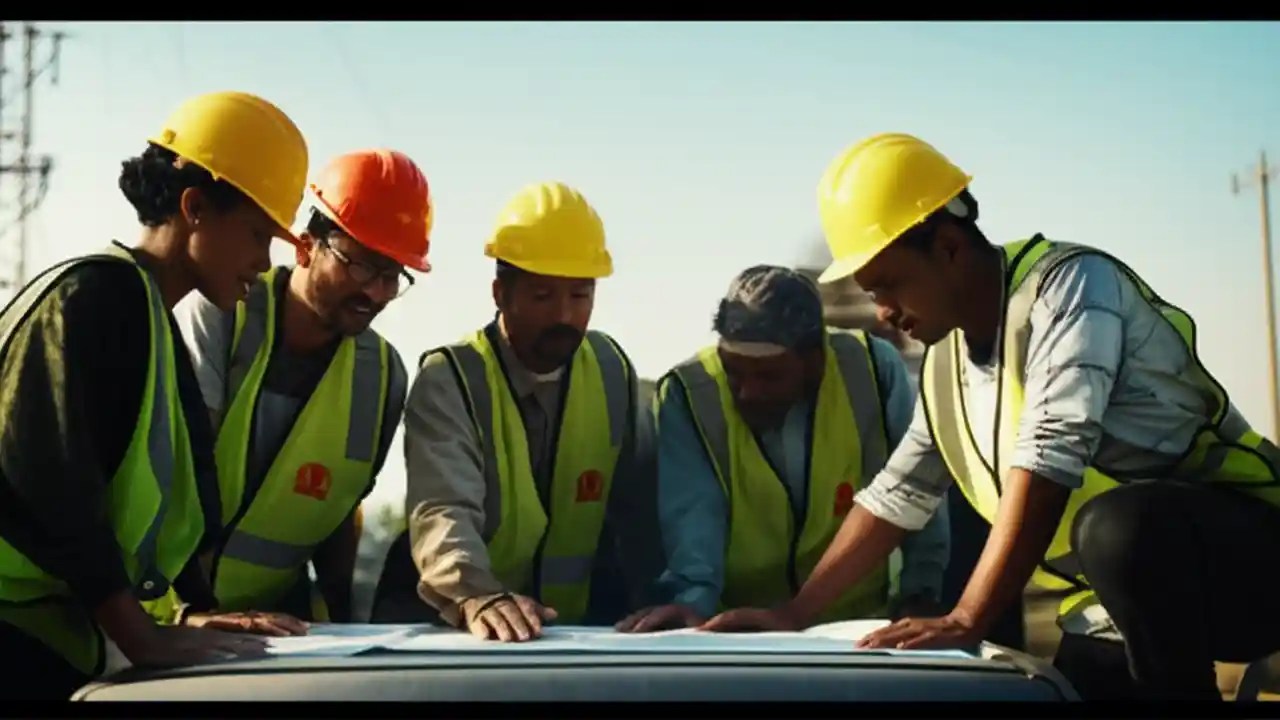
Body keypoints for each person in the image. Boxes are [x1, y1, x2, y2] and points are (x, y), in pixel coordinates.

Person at [699, 132, 1280, 701]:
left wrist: (968, 616)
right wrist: (794, 614)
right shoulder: (945, 362)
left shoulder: (1071, 287)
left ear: (949, 248)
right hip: (1120, 604)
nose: (882, 313)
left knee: (1117, 529)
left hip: (1250, 560)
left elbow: (1051, 453)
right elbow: (899, 493)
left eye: (889, 285)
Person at [0, 90, 312, 699]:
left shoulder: (145, 311)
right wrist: (140, 635)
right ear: (195, 208)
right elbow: (52, 482)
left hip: (44, 638)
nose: (264, 262)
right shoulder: (98, 297)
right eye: (257, 234)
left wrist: (185, 613)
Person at [371, 181, 660, 641]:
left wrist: (659, 602)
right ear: (500, 293)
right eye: (543, 296)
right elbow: (443, 508)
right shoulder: (451, 379)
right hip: (456, 633)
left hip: (569, 637)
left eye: (580, 296)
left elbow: (639, 511)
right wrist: (477, 594)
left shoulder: (611, 370)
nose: (564, 316)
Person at [167, 149, 425, 627]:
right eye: (361, 266)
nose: (375, 292)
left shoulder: (383, 376)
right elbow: (168, 475)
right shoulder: (221, 314)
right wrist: (186, 616)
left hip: (271, 628)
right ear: (305, 246)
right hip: (160, 617)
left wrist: (344, 624)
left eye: (392, 276)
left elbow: (340, 514)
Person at [617, 265, 950, 632]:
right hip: (735, 632)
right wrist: (690, 605)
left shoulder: (872, 369)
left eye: (769, 376)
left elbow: (916, 492)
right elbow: (694, 515)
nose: (747, 392)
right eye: (734, 373)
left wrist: (921, 595)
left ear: (816, 360)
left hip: (856, 631)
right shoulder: (690, 392)